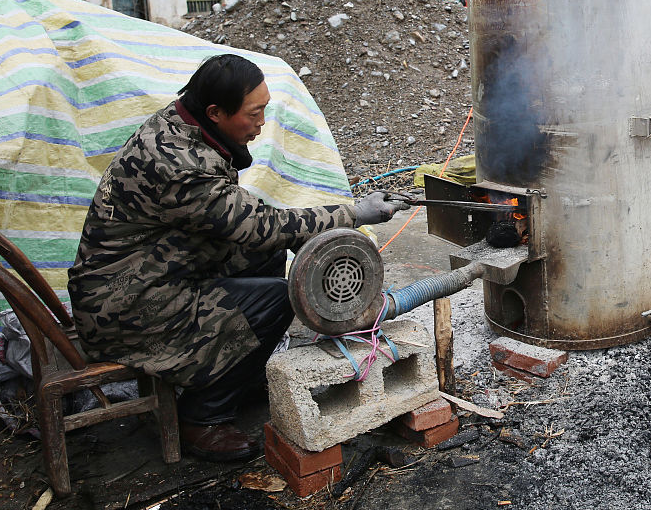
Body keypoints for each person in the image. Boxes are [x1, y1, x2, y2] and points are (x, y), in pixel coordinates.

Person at [67, 54, 405, 462]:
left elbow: (247, 224)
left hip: (149, 271)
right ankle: (203, 417)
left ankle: (235, 374)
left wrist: (306, 236)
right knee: (279, 297)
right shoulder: (179, 164)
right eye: (255, 113)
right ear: (215, 112)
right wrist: (353, 213)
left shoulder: (183, 124)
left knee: (267, 256)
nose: (262, 122)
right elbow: (258, 225)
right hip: (124, 306)